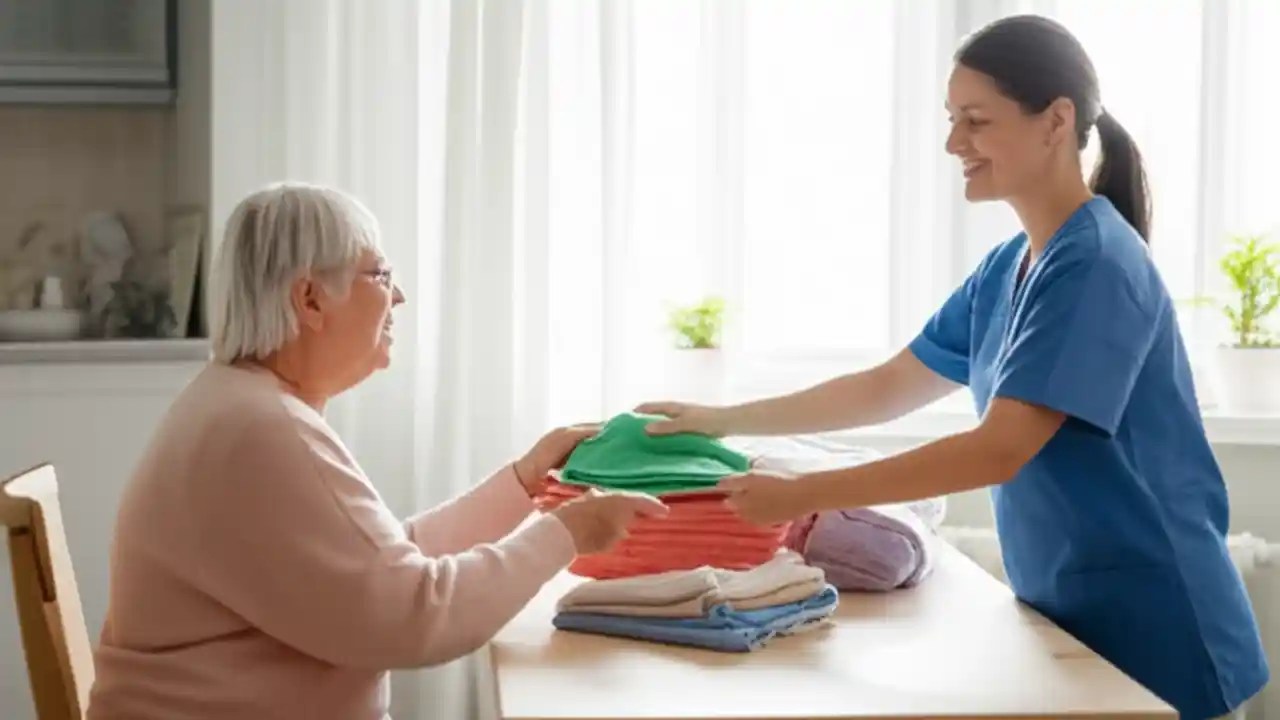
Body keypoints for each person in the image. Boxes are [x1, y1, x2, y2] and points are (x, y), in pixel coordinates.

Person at [639, 15, 1268, 720]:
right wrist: (721, 419)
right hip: (1074, 618)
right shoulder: (1012, 265)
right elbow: (887, 386)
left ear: (1055, 121)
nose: (952, 144)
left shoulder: (1094, 263)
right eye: (951, 120)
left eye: (976, 120)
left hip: (1161, 631)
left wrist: (803, 493)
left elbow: (998, 450)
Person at [87, 183, 666, 719]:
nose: (400, 297)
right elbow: (413, 616)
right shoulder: (261, 430)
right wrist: (567, 532)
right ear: (310, 300)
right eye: (381, 274)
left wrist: (523, 484)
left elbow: (377, 570)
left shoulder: (242, 406)